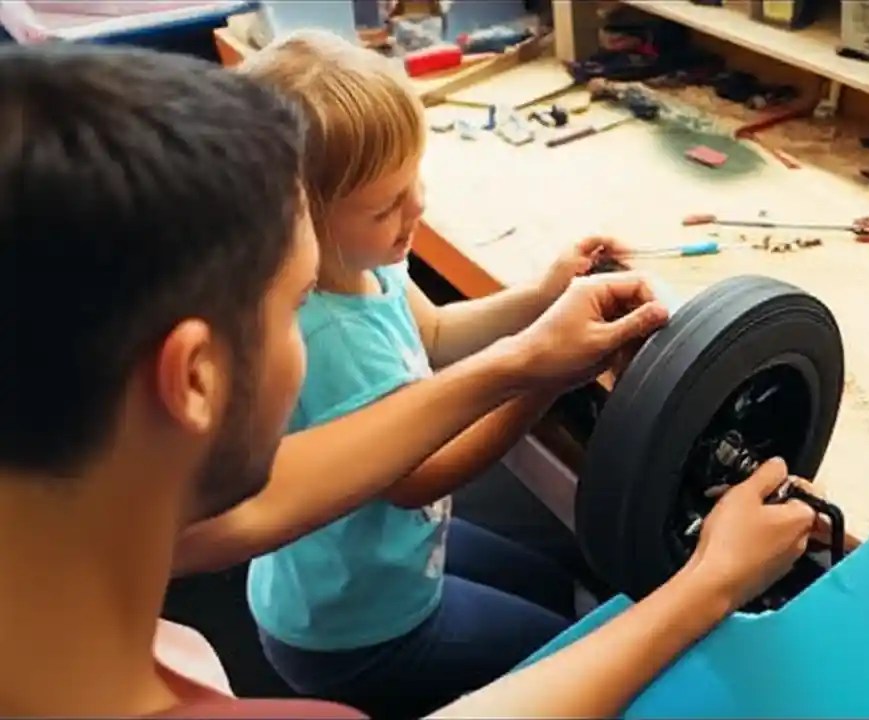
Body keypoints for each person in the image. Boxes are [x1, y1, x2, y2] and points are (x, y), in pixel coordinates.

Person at [0, 42, 820, 718]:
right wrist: (709, 585)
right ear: (194, 376)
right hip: (366, 627)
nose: (308, 328)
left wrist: (529, 341)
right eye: (292, 303)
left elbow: (251, 509)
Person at [163, 29, 633, 716]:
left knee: (554, 581)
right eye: (387, 205)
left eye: (414, 181)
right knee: (573, 647)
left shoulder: (369, 259)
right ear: (306, 222)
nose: (417, 209)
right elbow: (422, 476)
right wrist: (544, 379)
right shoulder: (322, 335)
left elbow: (436, 332)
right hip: (359, 627)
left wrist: (543, 297)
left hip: (375, 559)